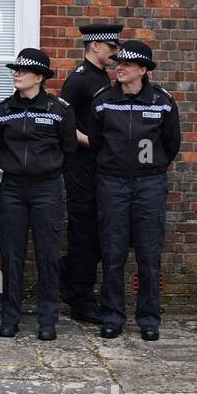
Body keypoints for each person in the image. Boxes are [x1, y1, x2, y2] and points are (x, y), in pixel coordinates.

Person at [91, 40, 180, 341]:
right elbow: (96, 141)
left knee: (148, 253)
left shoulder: (163, 102)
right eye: (118, 63)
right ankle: (113, 316)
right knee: (113, 252)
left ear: (143, 69)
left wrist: (151, 169)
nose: (120, 68)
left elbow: (171, 144)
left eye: (127, 65)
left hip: (150, 184)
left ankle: (148, 318)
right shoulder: (103, 99)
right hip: (112, 183)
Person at [0, 49, 77, 340]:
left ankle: (47, 320)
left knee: (48, 255)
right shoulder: (3, 110)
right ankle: (10, 318)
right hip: (13, 188)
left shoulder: (59, 110)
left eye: (22, 71)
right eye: (14, 69)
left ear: (39, 77)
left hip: (47, 188)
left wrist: (46, 171)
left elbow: (69, 151)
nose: (16, 74)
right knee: (11, 256)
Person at [59, 23, 121, 324]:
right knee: (85, 234)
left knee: (97, 234)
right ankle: (80, 300)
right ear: (95, 45)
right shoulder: (79, 80)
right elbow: (64, 122)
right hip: (81, 166)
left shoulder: (103, 77)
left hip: (100, 167)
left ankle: (70, 282)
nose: (116, 52)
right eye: (112, 47)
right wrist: (93, 143)